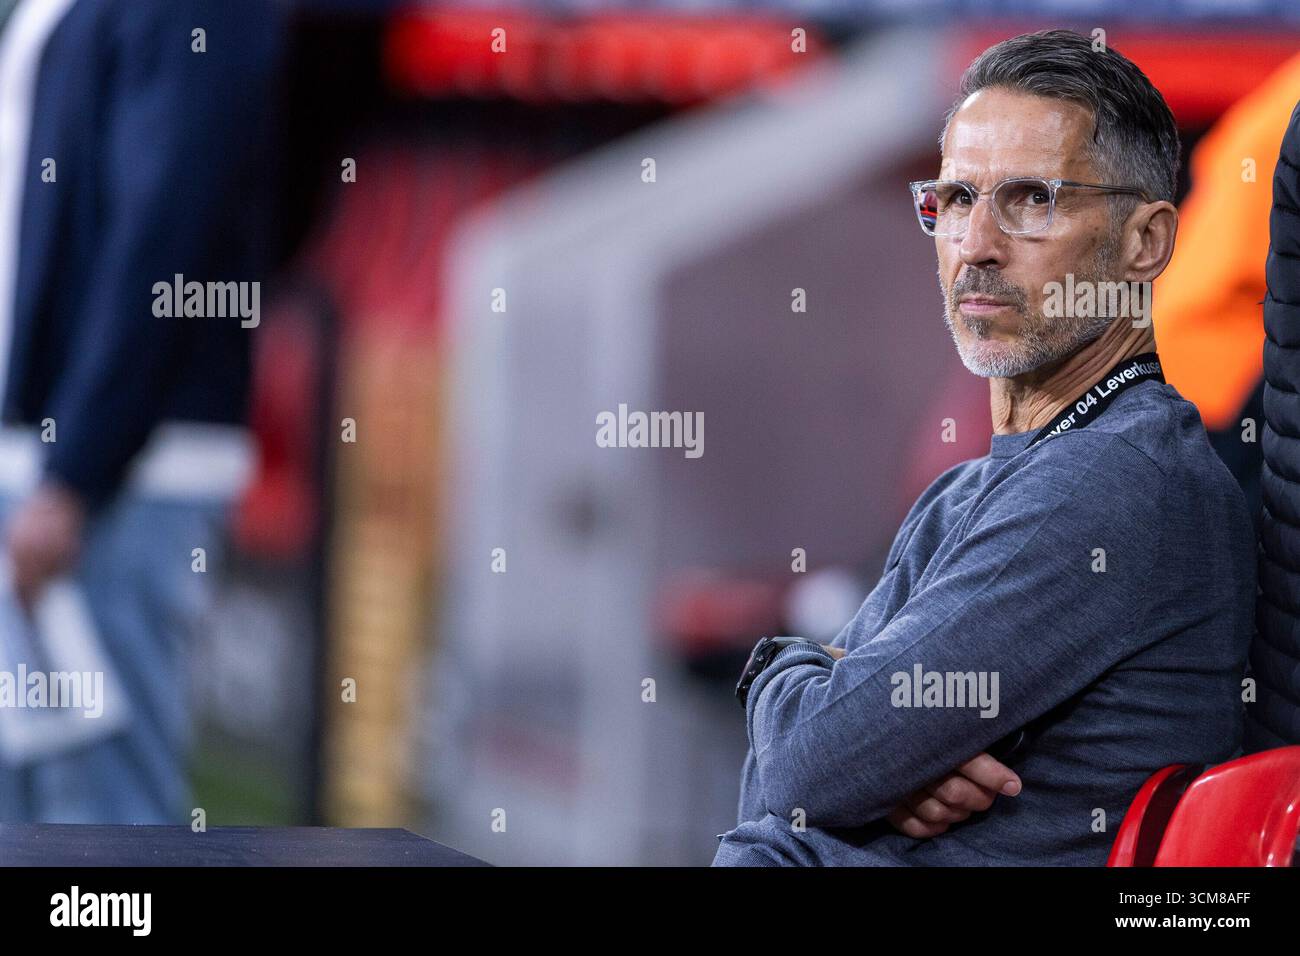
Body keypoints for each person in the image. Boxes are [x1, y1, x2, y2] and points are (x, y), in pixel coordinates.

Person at [714, 29, 1255, 866]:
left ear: (1146, 242)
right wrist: (853, 736)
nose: (977, 244)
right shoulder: (964, 492)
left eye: (1033, 199)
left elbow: (798, 770)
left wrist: (794, 680)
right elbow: (784, 789)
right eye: (958, 199)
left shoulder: (1110, 482)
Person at [0, 0, 285, 823]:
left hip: (119, 469)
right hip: (45, 452)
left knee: (107, 816)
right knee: (30, 812)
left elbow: (164, 228)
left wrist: (75, 471)